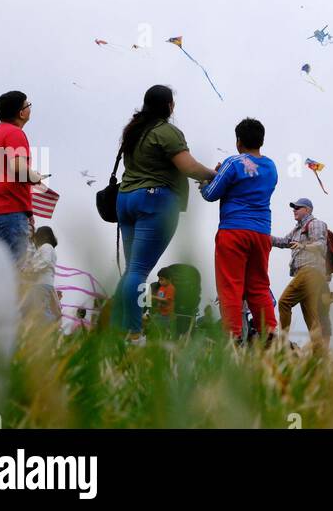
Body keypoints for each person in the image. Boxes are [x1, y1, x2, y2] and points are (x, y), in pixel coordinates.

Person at [113, 85, 216, 343]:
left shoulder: (134, 131)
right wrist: (217, 176)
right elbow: (188, 166)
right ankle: (135, 334)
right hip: (154, 200)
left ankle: (118, 330)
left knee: (131, 271)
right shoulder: (166, 131)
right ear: (168, 106)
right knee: (138, 271)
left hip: (125, 200)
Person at [199, 118, 278, 340]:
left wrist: (210, 180)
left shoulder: (233, 163)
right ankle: (269, 334)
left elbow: (210, 193)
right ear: (261, 140)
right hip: (262, 233)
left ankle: (232, 337)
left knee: (230, 285)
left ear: (238, 141)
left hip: (233, 231)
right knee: (259, 285)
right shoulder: (271, 167)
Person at [0, 91, 45, 263]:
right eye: (28, 105)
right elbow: (18, 168)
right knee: (12, 275)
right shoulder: (15, 133)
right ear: (21, 113)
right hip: (10, 214)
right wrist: (35, 177)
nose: (30, 108)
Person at [271, 198, 329, 347]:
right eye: (293, 208)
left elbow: (321, 245)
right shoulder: (298, 229)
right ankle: (319, 355)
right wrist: (263, 236)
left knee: (284, 302)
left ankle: (281, 345)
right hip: (307, 274)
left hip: (310, 270)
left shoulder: (315, 223)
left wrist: (303, 246)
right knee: (311, 316)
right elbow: (284, 241)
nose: (294, 210)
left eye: (298, 207)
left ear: (308, 210)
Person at [20, 225, 59, 324]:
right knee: (25, 306)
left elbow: (45, 261)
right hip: (39, 284)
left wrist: (32, 269)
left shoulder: (46, 247)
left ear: (44, 236)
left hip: (42, 284)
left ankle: (52, 322)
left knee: (41, 310)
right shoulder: (46, 248)